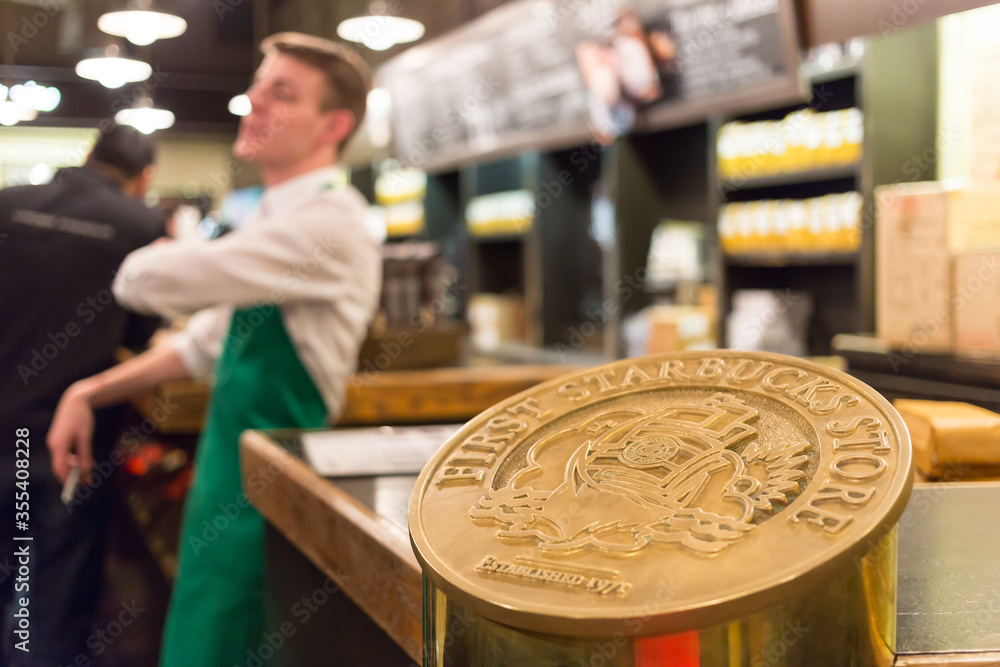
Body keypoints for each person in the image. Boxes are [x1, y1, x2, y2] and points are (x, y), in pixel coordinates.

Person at [46, 32, 381, 666]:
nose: (252, 103)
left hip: (269, 507)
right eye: (256, 87)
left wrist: (178, 242)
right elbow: (205, 342)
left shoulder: (329, 225)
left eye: (281, 93)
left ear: (334, 124)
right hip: (225, 488)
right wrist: (87, 390)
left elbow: (139, 281)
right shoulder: (274, 223)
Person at [0, 124, 166, 665]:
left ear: (90, 155)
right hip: (68, 444)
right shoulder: (142, 226)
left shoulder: (9, 204)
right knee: (51, 601)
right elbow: (143, 340)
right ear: (145, 178)